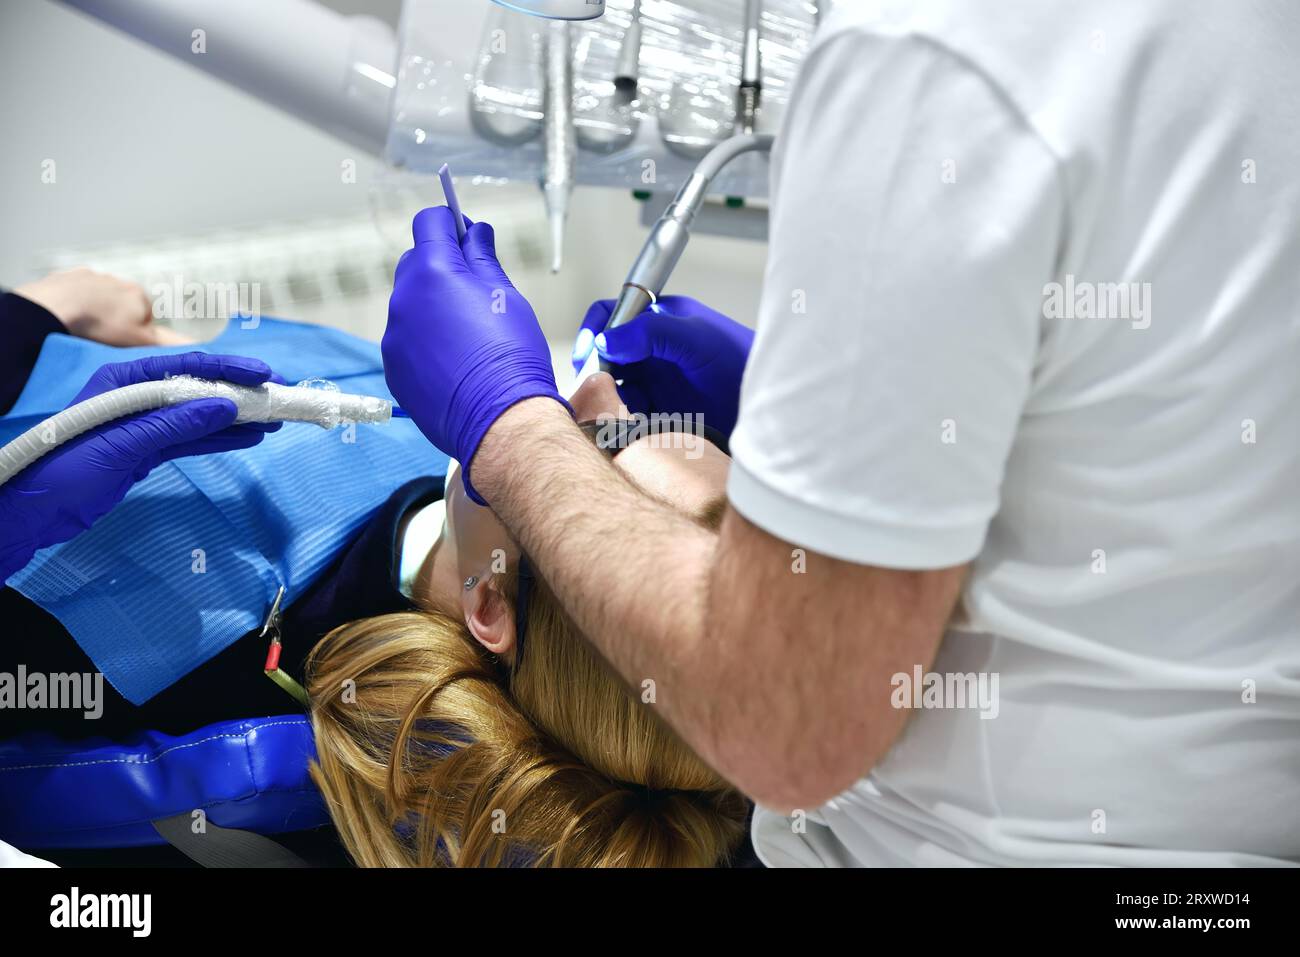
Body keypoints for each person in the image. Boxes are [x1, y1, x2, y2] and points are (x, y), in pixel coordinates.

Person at [380, 0, 1300, 867]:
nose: (597, 392)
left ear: (491, 605)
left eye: (599, 458)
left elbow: (789, 712)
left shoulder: (926, 57)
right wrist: (860, 432)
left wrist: (512, 430)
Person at [0, 270, 754, 867]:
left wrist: (41, 306)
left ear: (491, 600)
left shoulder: (176, 643)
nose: (588, 383)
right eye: (666, 419)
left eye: (592, 444)